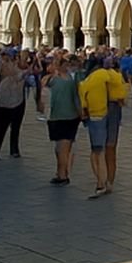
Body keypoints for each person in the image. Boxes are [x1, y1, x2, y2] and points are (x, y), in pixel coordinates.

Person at [78, 56, 130, 198]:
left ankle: (101, 181)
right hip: (113, 111)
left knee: (97, 149)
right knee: (111, 148)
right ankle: (109, 182)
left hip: (98, 113)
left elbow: (82, 91)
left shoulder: (94, 77)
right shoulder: (115, 77)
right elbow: (123, 93)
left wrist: (84, 109)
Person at [40, 54, 81, 185]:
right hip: (72, 116)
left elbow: (42, 98)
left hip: (57, 116)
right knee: (66, 146)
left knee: (61, 148)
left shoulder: (51, 81)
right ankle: (64, 172)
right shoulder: (73, 79)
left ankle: (62, 175)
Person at [0, 54, 28, 161]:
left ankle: (14, 149)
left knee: (15, 128)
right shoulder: (0, 74)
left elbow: (31, 73)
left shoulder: (20, 74)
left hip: (18, 102)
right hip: (1, 105)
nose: (8, 65)